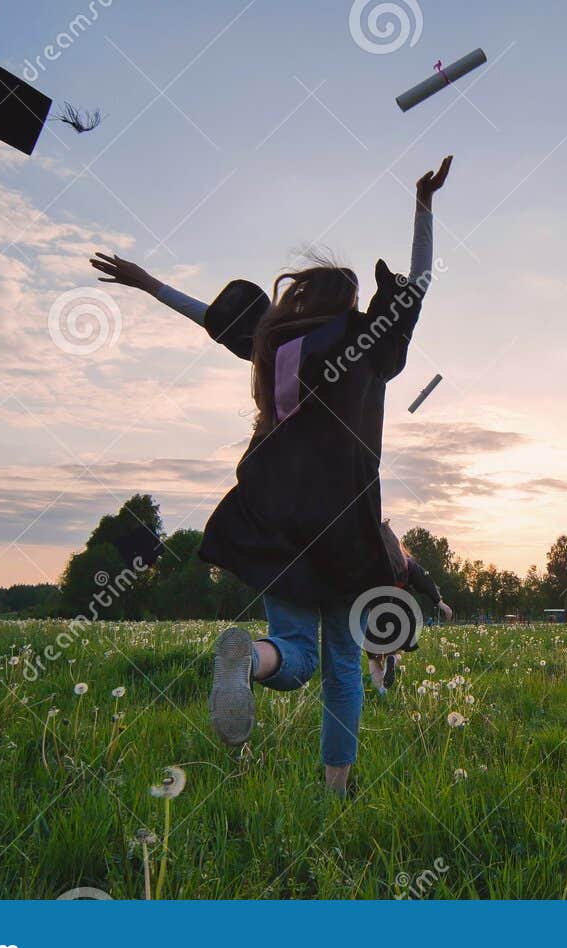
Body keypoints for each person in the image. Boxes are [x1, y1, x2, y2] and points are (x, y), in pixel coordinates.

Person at [89, 155, 454, 796]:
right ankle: (336, 789)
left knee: (293, 647)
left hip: (276, 515)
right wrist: (423, 206)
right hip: (344, 522)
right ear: (350, 304)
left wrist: (150, 285)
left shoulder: (273, 341)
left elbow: (206, 312)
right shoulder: (366, 339)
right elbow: (420, 281)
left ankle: (251, 660)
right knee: (342, 663)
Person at [367, 529, 453, 697]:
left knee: (374, 658)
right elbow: (426, 580)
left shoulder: (372, 563)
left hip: (378, 616)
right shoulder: (407, 564)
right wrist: (440, 603)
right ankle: (392, 659)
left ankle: (381, 693)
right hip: (403, 616)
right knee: (395, 650)